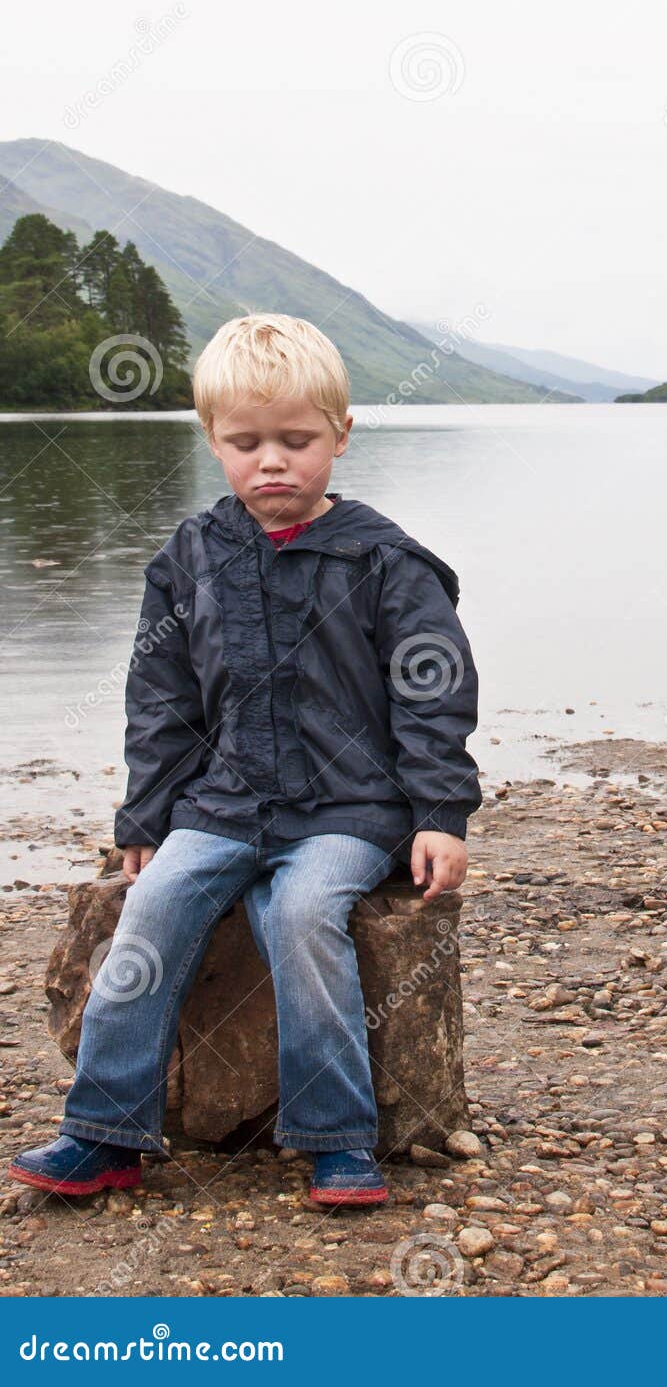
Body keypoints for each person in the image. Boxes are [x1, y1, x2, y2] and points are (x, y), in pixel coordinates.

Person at [8, 313, 482, 1207]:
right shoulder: (190, 558)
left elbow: (433, 691)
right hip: (223, 805)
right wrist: (146, 818)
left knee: (304, 914)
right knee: (149, 911)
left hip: (351, 808)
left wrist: (439, 815)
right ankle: (104, 1130)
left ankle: (337, 1138)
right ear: (212, 441)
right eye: (246, 442)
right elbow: (161, 700)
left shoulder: (384, 562)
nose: (273, 462)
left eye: (296, 441)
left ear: (339, 437)